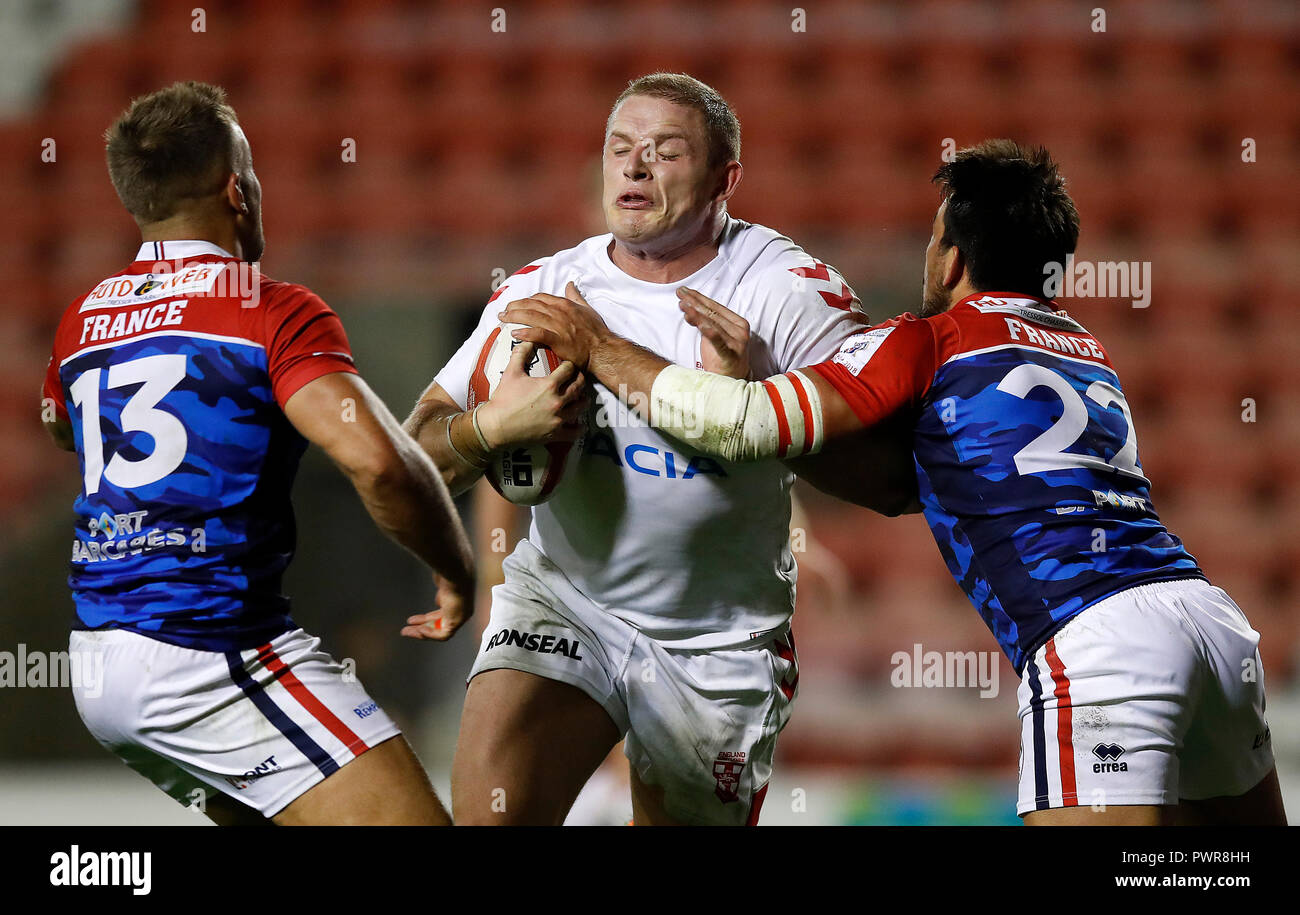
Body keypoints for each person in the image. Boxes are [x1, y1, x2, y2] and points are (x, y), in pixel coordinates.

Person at [502, 139, 1286, 826]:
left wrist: (600, 345)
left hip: (1099, 641)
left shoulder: (931, 339)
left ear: (951, 257)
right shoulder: (1085, 349)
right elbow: (907, 477)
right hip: (1209, 624)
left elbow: (739, 424)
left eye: (933, 238)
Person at [402, 72, 914, 825]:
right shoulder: (542, 290)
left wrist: (757, 412)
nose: (635, 167)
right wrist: (490, 431)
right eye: (620, 149)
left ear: (724, 178)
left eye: (664, 151)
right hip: (568, 601)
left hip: (720, 641)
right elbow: (417, 446)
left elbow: (892, 480)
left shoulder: (787, 293)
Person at [40, 81, 475, 825]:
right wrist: (456, 568)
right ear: (236, 190)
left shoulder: (84, 319)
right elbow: (379, 462)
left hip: (100, 667)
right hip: (209, 652)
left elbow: (61, 425)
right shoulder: (270, 309)